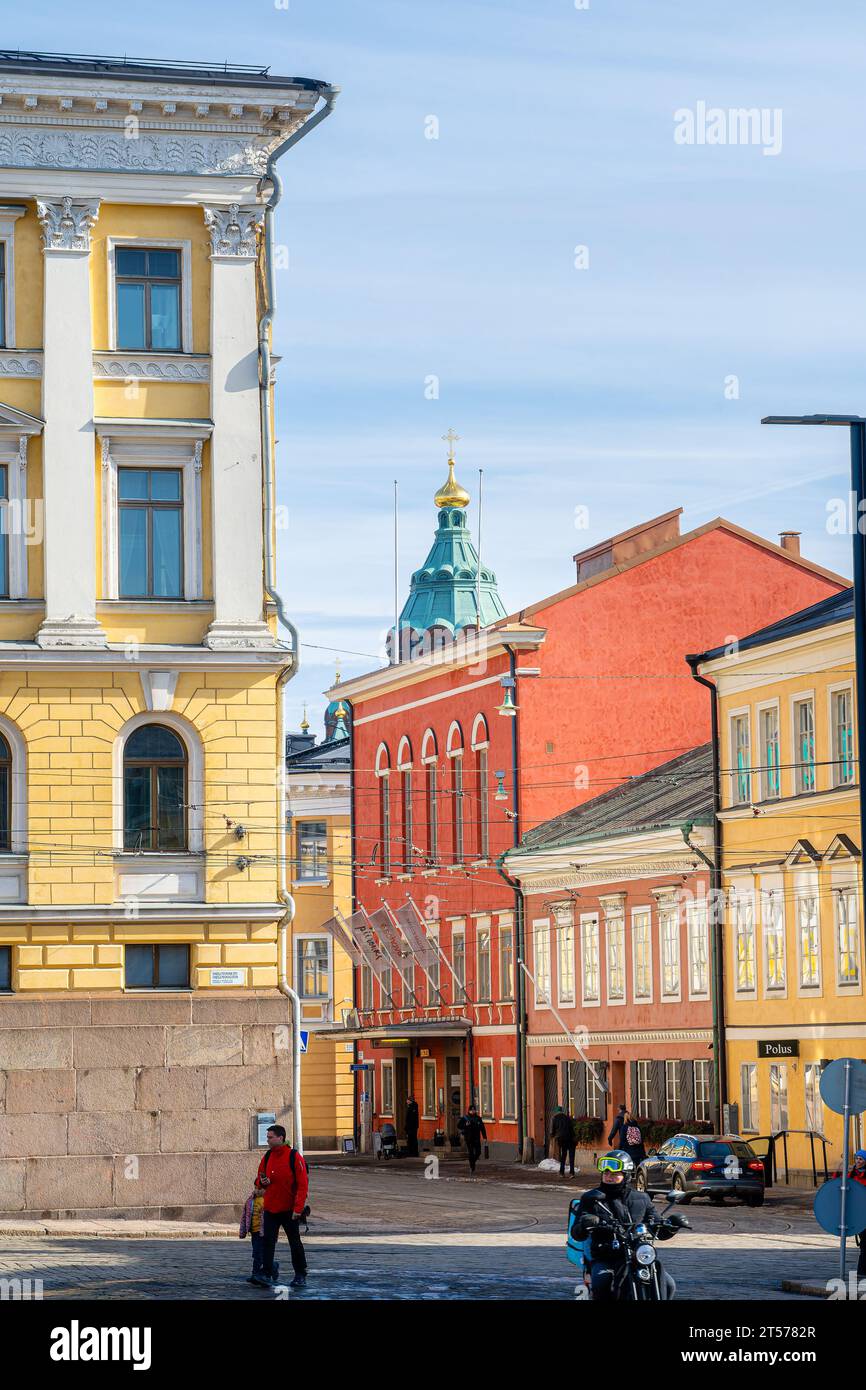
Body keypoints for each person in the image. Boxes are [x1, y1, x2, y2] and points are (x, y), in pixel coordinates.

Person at [571, 1150, 675, 1300]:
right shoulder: (591, 1198)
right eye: (606, 1173)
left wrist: (672, 1225)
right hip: (606, 1255)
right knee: (601, 1283)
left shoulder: (641, 1198)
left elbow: (657, 1226)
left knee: (669, 1284)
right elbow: (576, 1233)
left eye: (614, 1174)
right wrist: (586, 1223)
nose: (609, 1177)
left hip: (636, 1254)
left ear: (626, 1175)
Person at [253, 1124, 309, 1290]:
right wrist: (261, 1182)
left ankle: (300, 1274)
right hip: (271, 1207)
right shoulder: (268, 1156)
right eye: (267, 1137)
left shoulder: (294, 1157)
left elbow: (302, 1185)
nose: (268, 1140)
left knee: (294, 1242)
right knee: (268, 1242)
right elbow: (258, 1178)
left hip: (290, 1210)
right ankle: (266, 1272)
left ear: (280, 1138)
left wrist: (298, 1209)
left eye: (270, 1137)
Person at [239, 1186, 278, 1285]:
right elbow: (245, 1215)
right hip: (254, 1232)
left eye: (260, 1188)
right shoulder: (251, 1200)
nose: (258, 1190)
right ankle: (273, 1266)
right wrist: (243, 1230)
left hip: (263, 1233)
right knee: (257, 1253)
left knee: (258, 1254)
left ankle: (255, 1274)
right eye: (256, 1188)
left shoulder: (267, 1201)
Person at [458, 1103, 487, 1174]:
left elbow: (482, 1128)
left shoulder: (478, 1118)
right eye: (472, 1110)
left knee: (478, 1152)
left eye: (474, 1110)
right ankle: (472, 1167)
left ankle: (472, 1162)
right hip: (469, 1138)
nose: (473, 1111)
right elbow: (459, 1125)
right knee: (471, 1153)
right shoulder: (465, 1118)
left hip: (477, 1138)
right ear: (469, 1111)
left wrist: (485, 1137)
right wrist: (465, 1125)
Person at [551, 1105, 577, 1177]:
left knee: (563, 1155)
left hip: (562, 1139)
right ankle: (572, 1173)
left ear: (556, 1112)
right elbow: (571, 1128)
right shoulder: (567, 1118)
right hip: (571, 1139)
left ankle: (562, 1172)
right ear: (562, 1111)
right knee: (571, 1156)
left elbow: (552, 1130)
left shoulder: (555, 1118)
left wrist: (553, 1136)